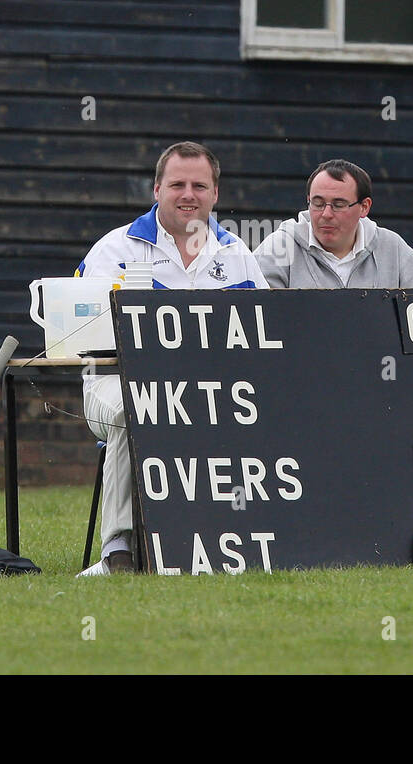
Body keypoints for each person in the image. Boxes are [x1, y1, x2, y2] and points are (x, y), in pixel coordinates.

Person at [75, 141, 269, 575]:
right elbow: (82, 336)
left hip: (213, 389)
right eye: (177, 184)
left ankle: (246, 537)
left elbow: (265, 331)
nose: (188, 194)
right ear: (156, 189)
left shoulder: (236, 254)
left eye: (199, 185)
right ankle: (119, 551)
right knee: (134, 409)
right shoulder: (115, 249)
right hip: (114, 380)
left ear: (215, 194)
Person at [254, 159, 413, 288]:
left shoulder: (395, 251)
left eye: (338, 205)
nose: (326, 214)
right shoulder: (278, 248)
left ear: (364, 207)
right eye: (318, 203)